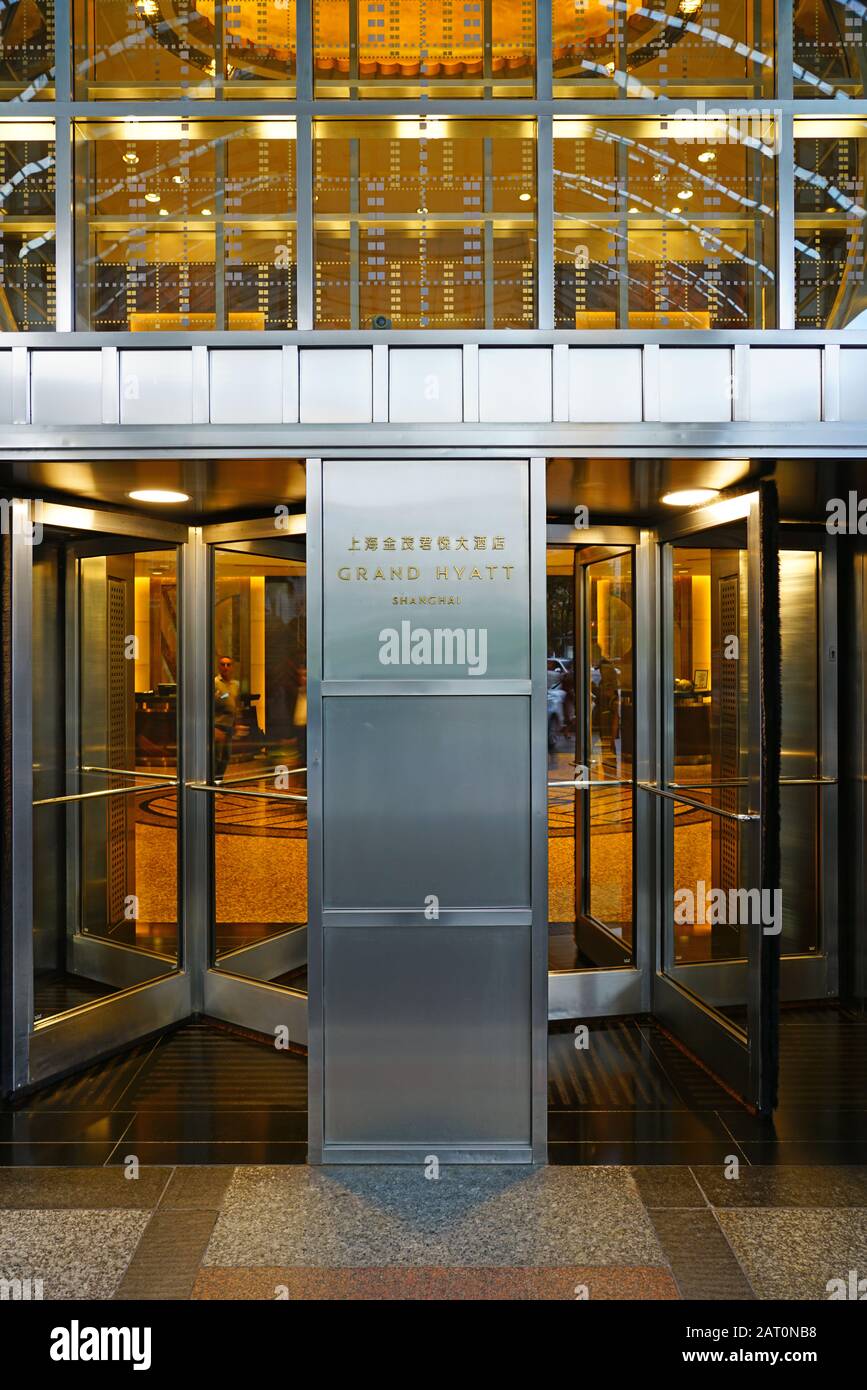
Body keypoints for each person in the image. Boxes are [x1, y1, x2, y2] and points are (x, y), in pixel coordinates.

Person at [214, 654, 240, 782]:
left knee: (226, 756)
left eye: (228, 665)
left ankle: (219, 782)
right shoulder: (215, 683)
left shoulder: (235, 684)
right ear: (219, 667)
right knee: (216, 757)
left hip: (229, 726)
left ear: (232, 667)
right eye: (223, 664)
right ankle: (213, 785)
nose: (226, 667)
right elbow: (211, 704)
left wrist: (237, 723)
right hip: (218, 726)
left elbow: (235, 703)